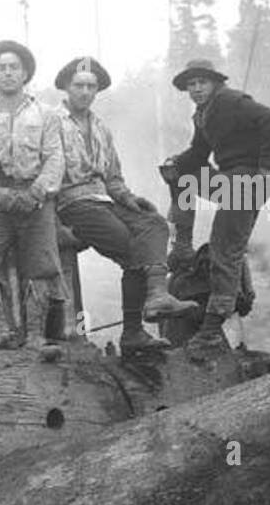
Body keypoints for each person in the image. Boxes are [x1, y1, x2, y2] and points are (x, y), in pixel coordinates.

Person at [50, 56, 197, 354]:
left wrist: (129, 199)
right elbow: (42, 172)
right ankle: (133, 331)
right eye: (78, 85)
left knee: (153, 222)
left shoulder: (101, 128)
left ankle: (156, 297)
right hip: (72, 202)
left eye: (91, 87)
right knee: (133, 252)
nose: (85, 92)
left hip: (105, 200)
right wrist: (52, 220)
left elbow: (113, 176)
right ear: (66, 87)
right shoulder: (50, 122)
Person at [160, 59, 270, 359]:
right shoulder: (203, 114)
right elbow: (199, 154)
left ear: (215, 83)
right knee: (183, 175)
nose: (196, 89)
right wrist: (176, 163)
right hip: (229, 180)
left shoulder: (231, 101)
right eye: (191, 85)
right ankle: (182, 248)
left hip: (247, 182)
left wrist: (266, 169)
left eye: (202, 82)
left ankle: (212, 329)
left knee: (224, 249)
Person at [0, 40, 65, 357]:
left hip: (35, 198)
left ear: (25, 74)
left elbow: (55, 157)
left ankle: (35, 335)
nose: (7, 73)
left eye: (14, 67)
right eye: (1, 68)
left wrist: (38, 192)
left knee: (42, 262)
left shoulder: (45, 114)